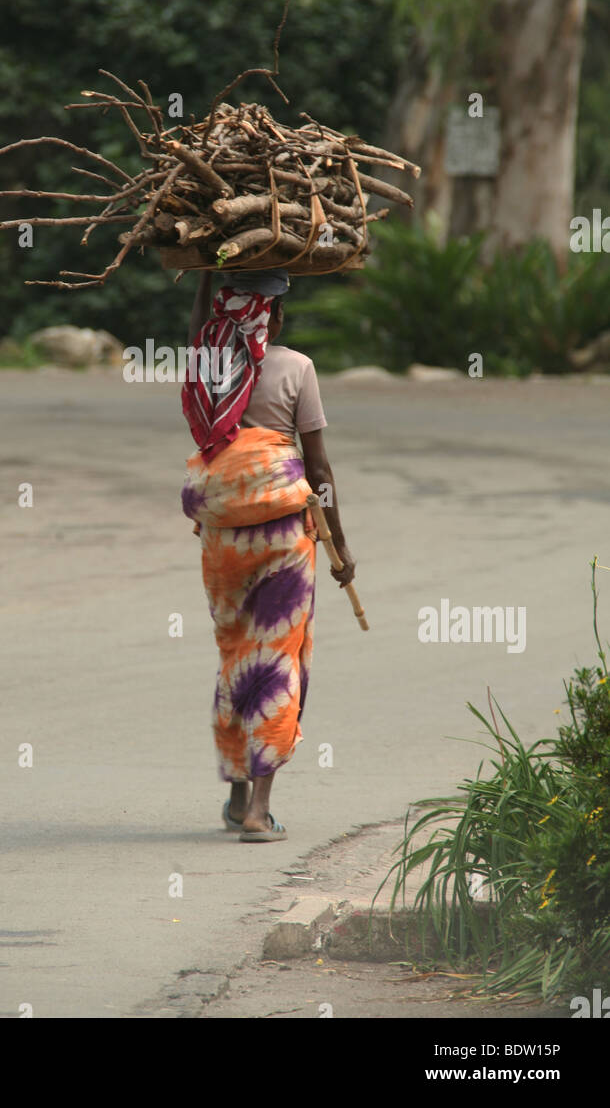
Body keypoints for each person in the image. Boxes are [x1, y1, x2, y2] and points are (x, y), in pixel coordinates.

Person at [181, 267, 355, 842]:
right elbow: (319, 468)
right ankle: (257, 812)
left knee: (236, 655)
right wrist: (341, 546)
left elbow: (197, 325)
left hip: (224, 536)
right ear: (274, 315)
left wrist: (206, 271)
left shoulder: (210, 364)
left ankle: (235, 799)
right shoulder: (295, 368)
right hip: (283, 534)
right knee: (277, 658)